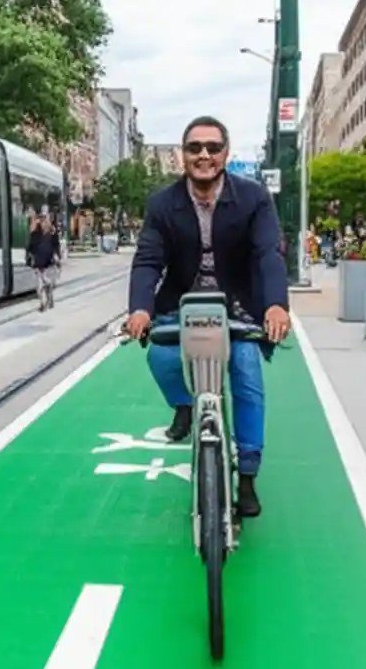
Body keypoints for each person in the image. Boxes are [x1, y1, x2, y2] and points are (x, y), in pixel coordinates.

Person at [124, 115, 290, 518]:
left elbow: (268, 252)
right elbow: (148, 260)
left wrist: (275, 304)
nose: (204, 155)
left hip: (238, 306)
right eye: (195, 147)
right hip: (181, 303)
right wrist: (141, 308)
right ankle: (184, 404)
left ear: (225, 154)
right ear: (183, 155)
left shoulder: (253, 198)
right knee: (160, 357)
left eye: (213, 148)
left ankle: (247, 475)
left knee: (248, 379)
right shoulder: (163, 204)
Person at [25, 210, 61, 311]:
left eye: (45, 220)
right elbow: (29, 248)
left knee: (46, 283)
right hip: (38, 262)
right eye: (42, 220)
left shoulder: (52, 235)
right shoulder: (36, 234)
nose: (43, 222)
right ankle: (43, 303)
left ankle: (48, 300)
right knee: (40, 285)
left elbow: (56, 247)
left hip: (48, 262)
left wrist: (57, 258)